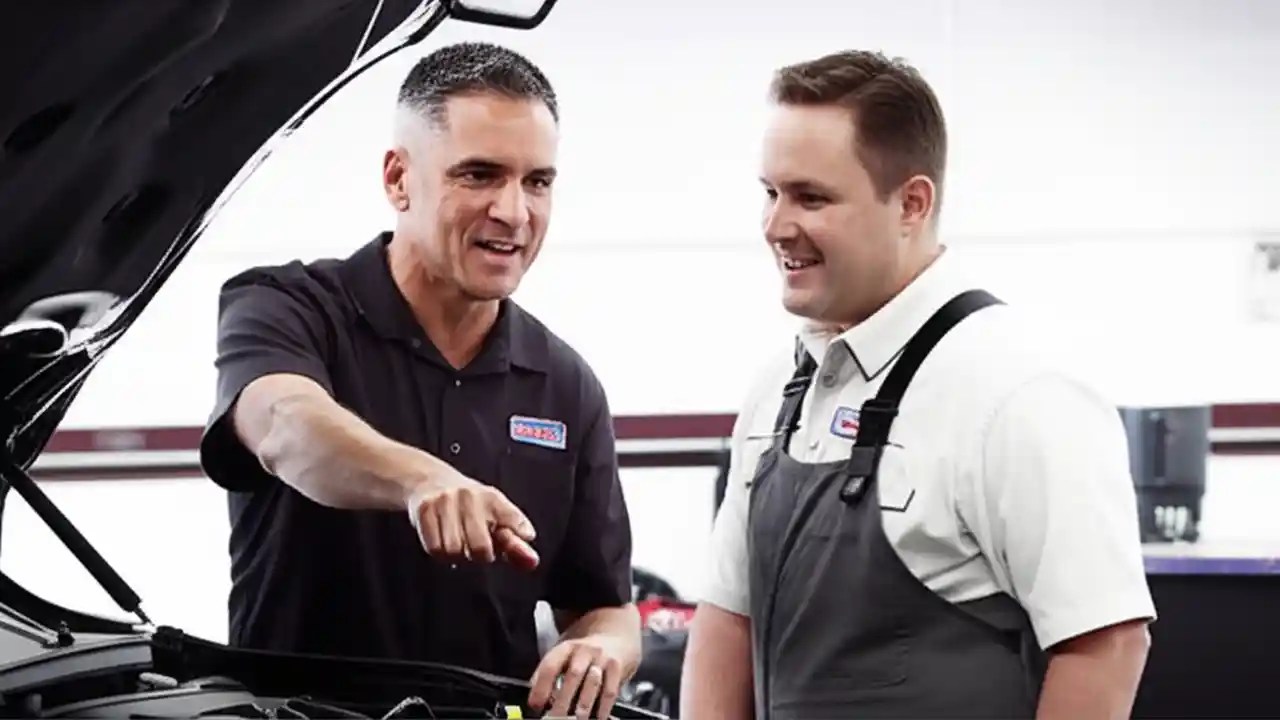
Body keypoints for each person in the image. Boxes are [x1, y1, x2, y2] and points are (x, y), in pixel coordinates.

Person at [681, 49, 1157, 719]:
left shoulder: (1018, 392)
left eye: (811, 197)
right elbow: (728, 616)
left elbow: (1105, 643)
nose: (775, 226)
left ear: (911, 202)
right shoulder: (779, 391)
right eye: (771, 192)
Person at [198, 41, 640, 720]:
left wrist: (601, 649)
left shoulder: (566, 384)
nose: (514, 212)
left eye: (538, 182)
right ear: (399, 179)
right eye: (479, 175)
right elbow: (284, 425)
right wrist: (421, 480)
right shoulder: (289, 308)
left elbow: (605, 605)